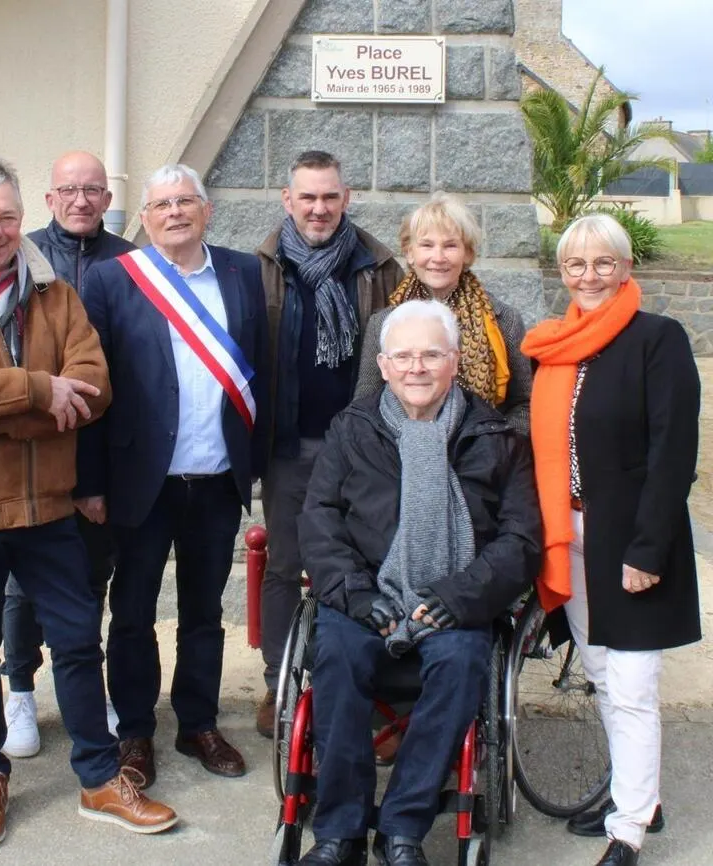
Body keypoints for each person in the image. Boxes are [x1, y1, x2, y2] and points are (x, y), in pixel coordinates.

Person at [0, 157, 177, 847]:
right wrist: (36, 392)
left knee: (78, 643)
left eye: (8, 217)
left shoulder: (57, 298)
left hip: (49, 506)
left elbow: (94, 388)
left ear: (25, 221)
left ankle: (100, 779)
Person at [295, 300, 541, 866]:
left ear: (454, 362)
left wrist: (457, 598)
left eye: (431, 354)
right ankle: (339, 831)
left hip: (456, 599)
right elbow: (320, 520)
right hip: (364, 596)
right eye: (403, 355)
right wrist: (357, 594)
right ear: (382, 365)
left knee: (459, 666)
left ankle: (403, 828)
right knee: (337, 659)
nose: (417, 367)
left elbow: (520, 540)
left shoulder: (495, 437)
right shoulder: (352, 429)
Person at [79, 163, 269, 789]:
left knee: (204, 612)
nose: (174, 213)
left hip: (215, 478)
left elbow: (261, 374)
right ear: (146, 217)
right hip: (142, 479)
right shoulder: (112, 280)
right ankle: (134, 730)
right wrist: (91, 481)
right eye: (161, 204)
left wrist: (258, 465)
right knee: (130, 610)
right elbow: (92, 387)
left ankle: (198, 723)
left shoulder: (243, 272)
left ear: (206, 209)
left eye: (185, 201)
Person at [520, 213, 701, 866]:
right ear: (562, 272)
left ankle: (627, 829)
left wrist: (649, 550)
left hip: (631, 540)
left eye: (604, 262)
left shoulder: (658, 339)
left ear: (627, 268)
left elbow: (673, 451)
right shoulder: (555, 344)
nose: (589, 275)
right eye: (576, 263)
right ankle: (641, 797)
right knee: (599, 670)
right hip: (566, 533)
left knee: (629, 684)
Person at [255, 150, 403, 737]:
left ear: (347, 198)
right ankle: (279, 686)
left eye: (329, 197)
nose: (319, 209)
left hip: (363, 451)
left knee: (361, 566)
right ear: (288, 201)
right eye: (307, 198)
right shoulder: (262, 267)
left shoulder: (379, 267)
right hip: (289, 447)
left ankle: (356, 687)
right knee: (286, 567)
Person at [0, 150, 135, 758]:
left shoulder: (132, 263)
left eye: (93, 190)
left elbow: (131, 374)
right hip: (29, 452)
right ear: (49, 199)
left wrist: (99, 477)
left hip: (102, 451)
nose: (81, 200)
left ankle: (86, 688)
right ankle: (20, 691)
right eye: (68, 190)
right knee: (21, 589)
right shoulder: (21, 256)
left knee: (90, 581)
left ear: (109, 200)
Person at [356, 191, 532, 436]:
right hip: (400, 457)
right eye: (427, 245)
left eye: (450, 245)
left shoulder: (503, 321)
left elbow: (525, 404)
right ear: (409, 252)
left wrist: (497, 447)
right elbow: (365, 404)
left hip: (482, 460)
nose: (438, 258)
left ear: (467, 253)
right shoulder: (384, 323)